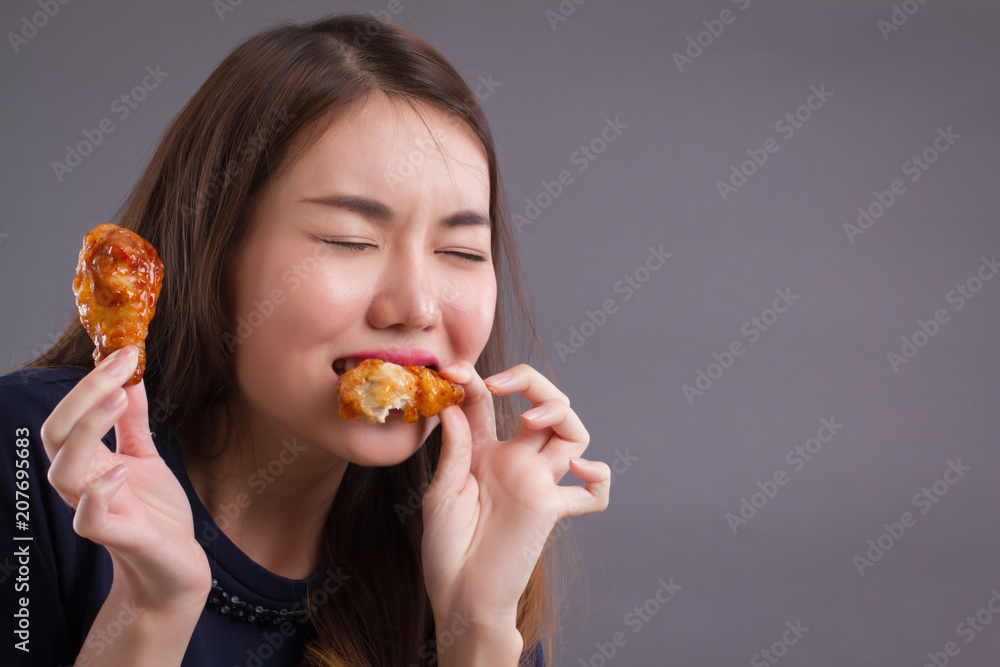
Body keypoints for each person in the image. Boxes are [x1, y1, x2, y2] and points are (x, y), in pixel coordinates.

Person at [0, 13, 610, 667]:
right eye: (350, 240)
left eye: (461, 250)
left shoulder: (465, 515)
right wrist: (149, 614)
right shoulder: (31, 454)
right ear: (215, 252)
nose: (416, 305)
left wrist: (477, 627)